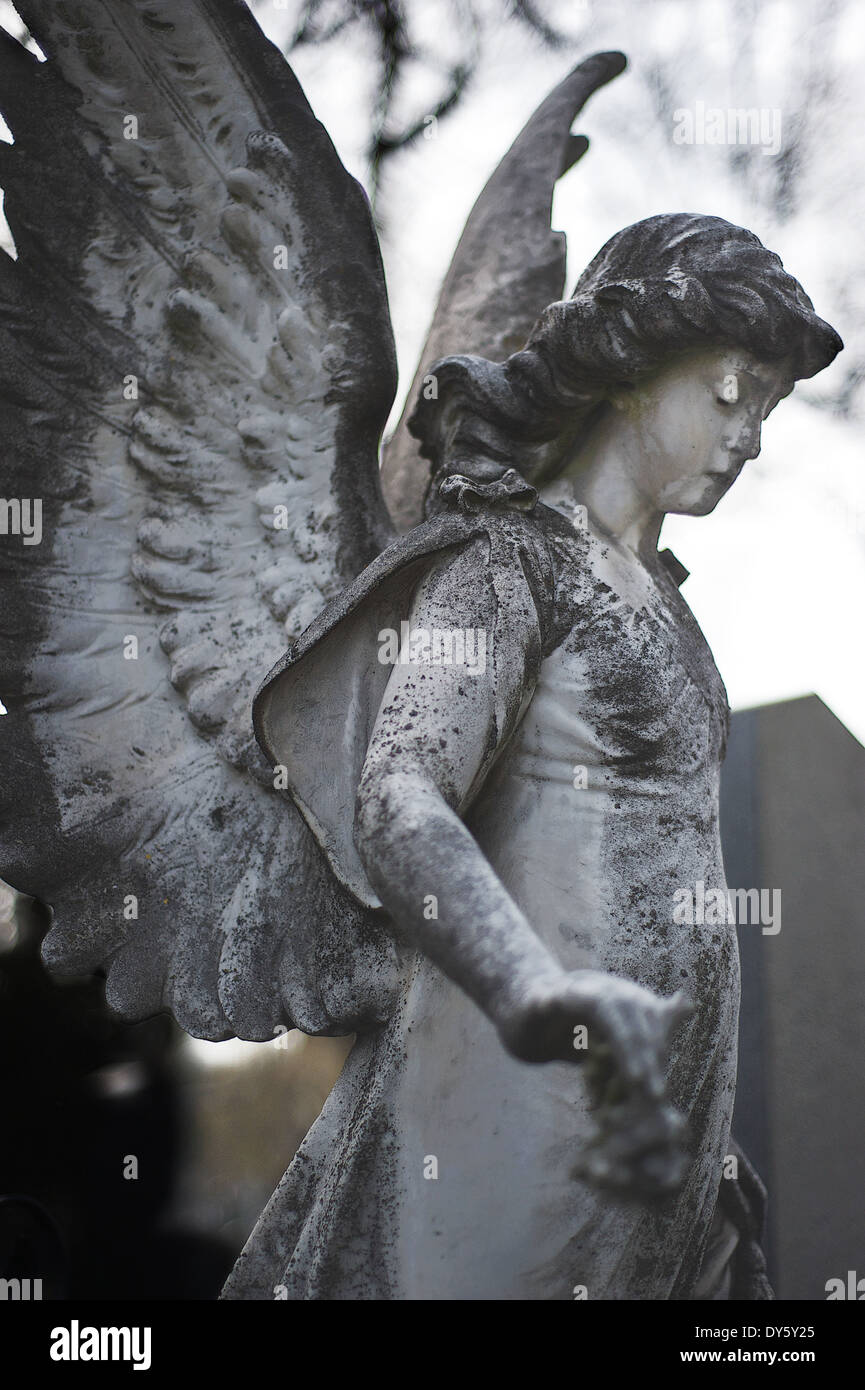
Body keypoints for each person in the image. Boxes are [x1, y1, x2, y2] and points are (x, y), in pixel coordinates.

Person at [230, 214, 841, 1300]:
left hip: (658, 1138)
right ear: (629, 371)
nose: (749, 434)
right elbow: (401, 792)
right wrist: (529, 988)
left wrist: (707, 1128)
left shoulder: (673, 619)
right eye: (730, 390)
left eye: (771, 408)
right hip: (508, 1125)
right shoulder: (513, 564)